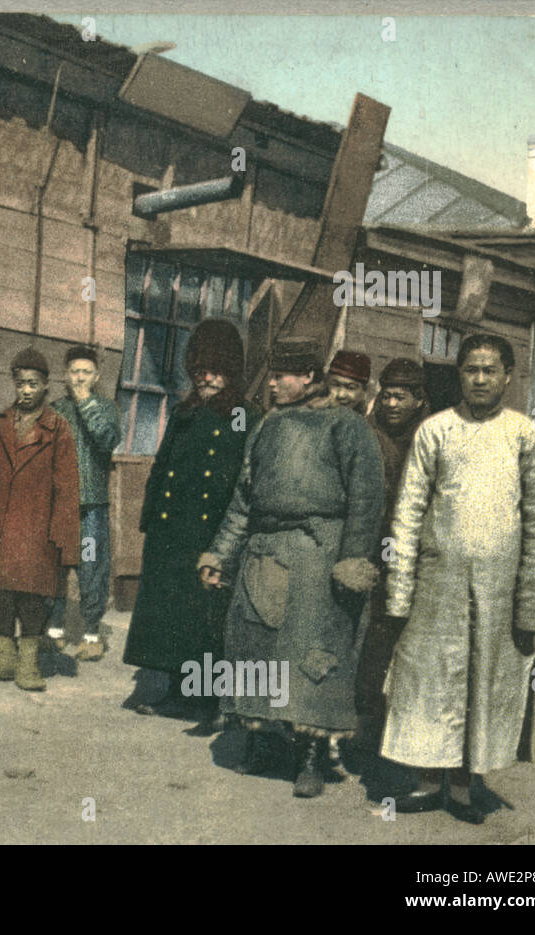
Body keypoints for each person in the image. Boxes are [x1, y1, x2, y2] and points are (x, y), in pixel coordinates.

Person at [380, 334, 535, 824]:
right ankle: (425, 780)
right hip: (437, 585)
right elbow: (409, 512)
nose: (479, 379)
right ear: (459, 375)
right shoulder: (435, 431)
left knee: (484, 680)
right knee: (428, 679)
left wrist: (529, 605)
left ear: (507, 376)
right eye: (470, 369)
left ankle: (463, 785)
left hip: (499, 589)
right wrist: (400, 590)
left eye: (489, 370)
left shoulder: (525, 436)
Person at [199, 338, 383, 798]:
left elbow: (366, 500)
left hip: (318, 555)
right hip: (263, 549)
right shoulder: (267, 426)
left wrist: (352, 560)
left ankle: (310, 759)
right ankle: (263, 743)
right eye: (272, 375)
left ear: (308, 378)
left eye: (281, 376)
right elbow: (242, 500)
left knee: (309, 656)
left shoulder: (347, 428)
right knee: (256, 647)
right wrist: (220, 553)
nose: (273, 384)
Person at [122, 319, 262, 733]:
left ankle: (209, 700)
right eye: (199, 369)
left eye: (215, 369)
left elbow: (245, 476)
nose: (206, 377)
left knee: (206, 619)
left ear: (231, 371)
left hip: (212, 532)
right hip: (172, 533)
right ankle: (178, 691)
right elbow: (163, 466)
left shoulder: (243, 416)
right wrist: (149, 520)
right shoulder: (186, 413)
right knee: (171, 616)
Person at [0, 348, 80, 692]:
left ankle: (28, 660)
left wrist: (66, 542)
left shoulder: (58, 430)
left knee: (33, 598)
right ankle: (4, 655)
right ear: (14, 384)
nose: (26, 390)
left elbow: (67, 490)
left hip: (37, 532)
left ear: (46, 386)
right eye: (21, 383)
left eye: (33, 384)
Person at [353, 358, 429, 749]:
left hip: (414, 556)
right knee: (368, 639)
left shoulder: (431, 437)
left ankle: (403, 733)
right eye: (386, 395)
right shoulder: (365, 433)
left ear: (419, 400)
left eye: (401, 397)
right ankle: (363, 726)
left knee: (407, 646)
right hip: (369, 549)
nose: (392, 404)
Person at [47, 346, 122, 661]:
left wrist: (85, 402)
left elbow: (107, 439)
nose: (79, 377)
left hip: (91, 509)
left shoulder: (106, 407)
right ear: (66, 374)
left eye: (86, 372)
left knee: (92, 569)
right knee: (53, 570)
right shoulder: (53, 410)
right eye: (74, 371)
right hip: (58, 507)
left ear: (97, 376)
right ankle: (52, 632)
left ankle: (92, 636)